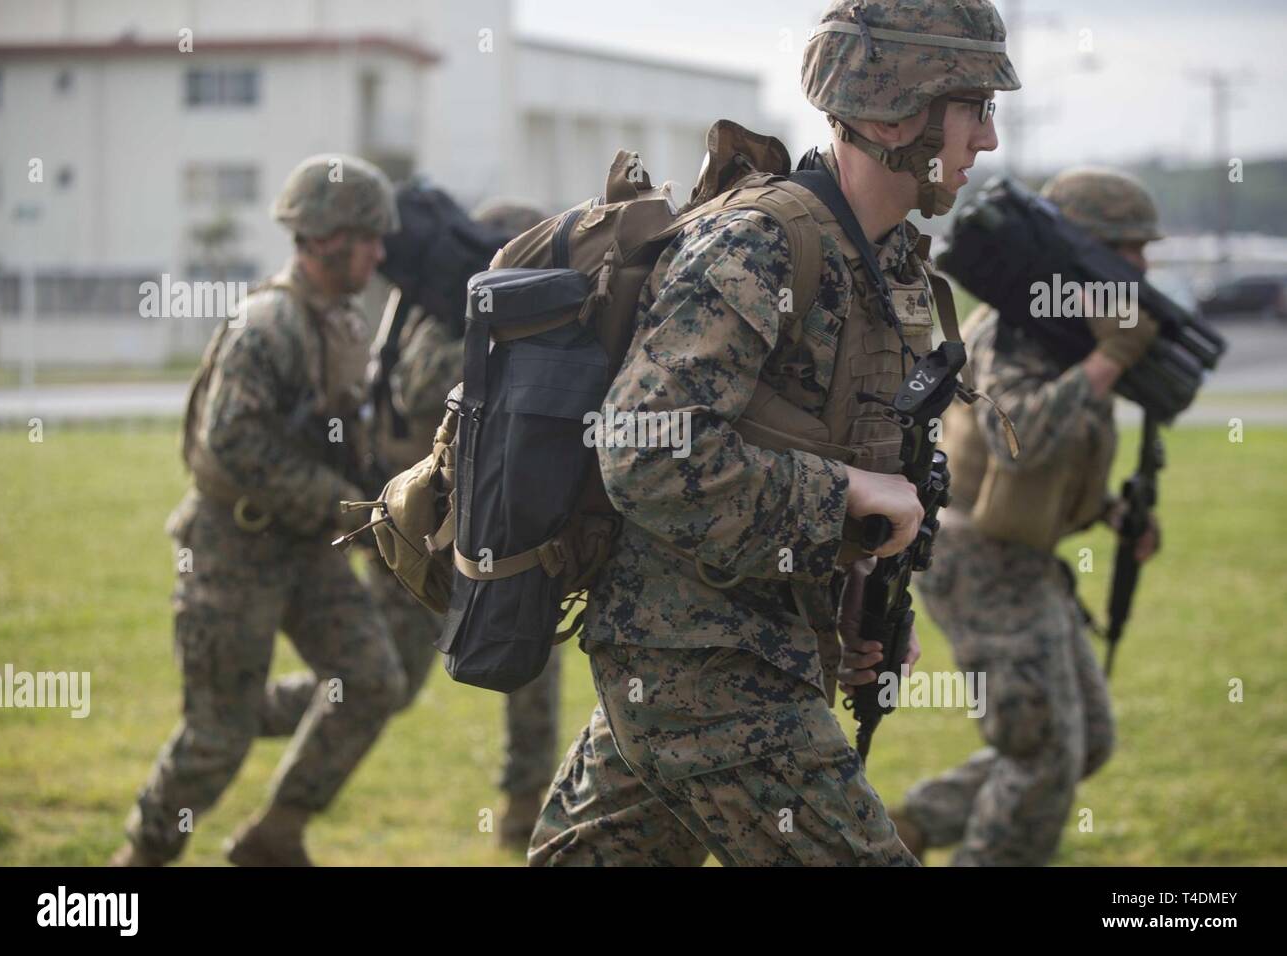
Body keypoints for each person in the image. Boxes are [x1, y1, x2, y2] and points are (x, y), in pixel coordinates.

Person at [528, 0, 1020, 866]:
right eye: (975, 106)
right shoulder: (756, 246)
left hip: (735, 644)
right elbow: (646, 452)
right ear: (892, 109)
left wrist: (863, 583)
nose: (986, 138)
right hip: (706, 666)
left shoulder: (887, 257)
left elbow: (842, 436)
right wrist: (848, 497)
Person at [111, 154, 406, 867]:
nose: (378, 251)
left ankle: (276, 832)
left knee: (371, 681)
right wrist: (344, 509)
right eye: (367, 235)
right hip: (231, 546)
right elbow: (231, 442)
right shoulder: (267, 324)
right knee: (217, 740)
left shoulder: (342, 325)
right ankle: (137, 862)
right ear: (325, 236)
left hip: (305, 548)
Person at [255, 198, 561, 852]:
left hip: (491, 525)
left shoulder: (472, 313)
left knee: (533, 663)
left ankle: (522, 810)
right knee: (382, 681)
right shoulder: (442, 317)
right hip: (419, 528)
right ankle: (248, 714)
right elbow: (422, 387)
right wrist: (497, 349)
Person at [895, 166, 1164, 866]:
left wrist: (1106, 510)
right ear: (1087, 253)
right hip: (981, 562)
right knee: (1042, 750)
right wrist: (1109, 361)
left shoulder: (1060, 329)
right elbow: (1022, 444)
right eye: (1129, 248)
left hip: (1022, 559)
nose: (1142, 265)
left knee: (1084, 742)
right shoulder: (1016, 331)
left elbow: (1051, 461)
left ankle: (914, 825)